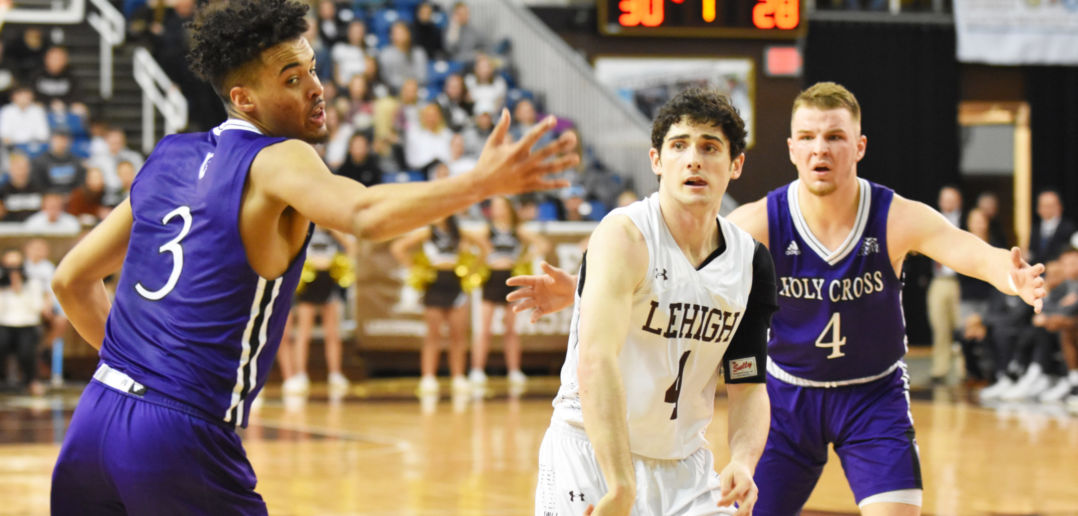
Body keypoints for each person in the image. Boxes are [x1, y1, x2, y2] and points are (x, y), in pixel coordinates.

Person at [47, 0, 578, 513]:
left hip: (94, 421)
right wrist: (478, 183)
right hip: (179, 434)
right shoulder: (278, 158)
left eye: (312, 69)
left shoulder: (168, 157)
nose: (317, 87)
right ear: (245, 98)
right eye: (292, 78)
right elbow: (365, 213)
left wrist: (138, 370)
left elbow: (71, 279)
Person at [508, 82, 1046, 516]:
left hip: (863, 399)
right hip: (760, 407)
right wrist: (585, 289)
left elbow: (964, 248)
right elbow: (635, 295)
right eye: (808, 137)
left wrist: (1009, 273)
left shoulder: (871, 221)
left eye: (835, 137)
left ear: (858, 146)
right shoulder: (745, 225)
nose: (821, 149)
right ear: (791, 148)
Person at [526, 88, 775, 516]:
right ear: (656, 161)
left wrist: (743, 459)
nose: (693, 159)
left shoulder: (751, 261)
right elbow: (596, 360)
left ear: (736, 165)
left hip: (684, 464)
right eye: (679, 145)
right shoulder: (624, 236)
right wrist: (621, 485)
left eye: (710, 147)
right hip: (591, 452)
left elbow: (747, 382)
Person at [469, 196, 549, 393]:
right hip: (491, 278)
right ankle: (477, 370)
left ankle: (514, 371)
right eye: (495, 207)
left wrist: (525, 257)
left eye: (501, 206)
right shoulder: (487, 229)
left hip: (511, 278)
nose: (498, 210)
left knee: (511, 329)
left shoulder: (517, 230)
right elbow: (468, 241)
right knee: (484, 328)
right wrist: (483, 256)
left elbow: (542, 244)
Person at [927, 185, 962, 385]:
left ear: (959, 202)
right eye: (945, 199)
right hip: (939, 279)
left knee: (961, 327)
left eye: (952, 199)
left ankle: (963, 371)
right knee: (939, 326)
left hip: (960, 281)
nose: (948, 203)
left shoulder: (966, 222)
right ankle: (940, 369)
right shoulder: (931, 221)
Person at [1029, 189, 1076, 265]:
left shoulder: (1068, 228)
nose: (1047, 210)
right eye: (1044, 206)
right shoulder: (1035, 229)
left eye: (1050, 206)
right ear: (1038, 209)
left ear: (1059, 207)